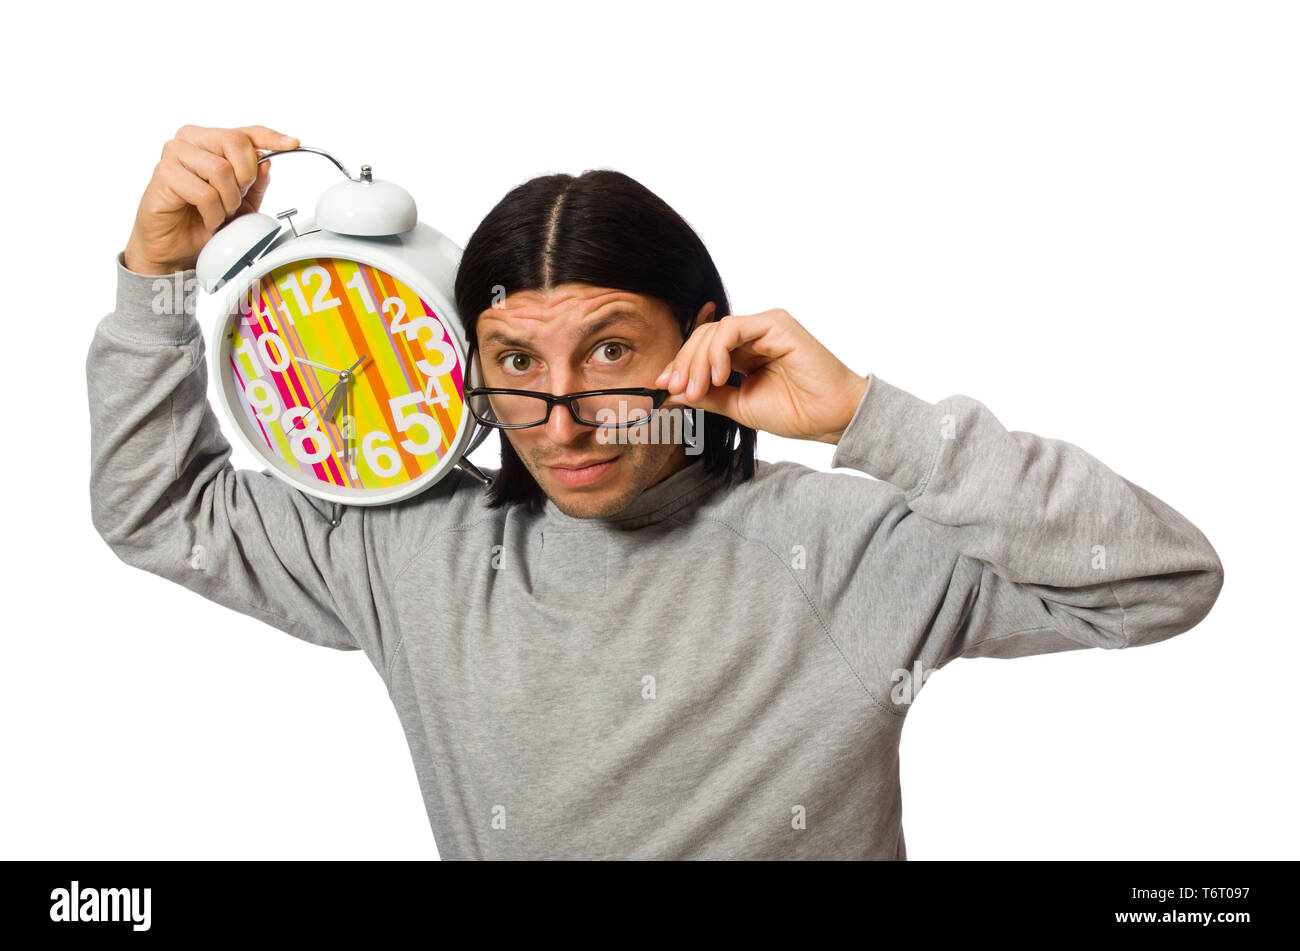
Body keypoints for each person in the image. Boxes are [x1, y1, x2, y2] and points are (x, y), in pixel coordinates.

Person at [88, 124, 1224, 860]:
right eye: (517, 361)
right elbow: (157, 506)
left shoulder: (842, 544)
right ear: (467, 369)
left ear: (699, 339)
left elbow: (1159, 582)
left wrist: (864, 417)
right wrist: (159, 273)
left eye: (611, 351)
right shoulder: (412, 553)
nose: (563, 418)